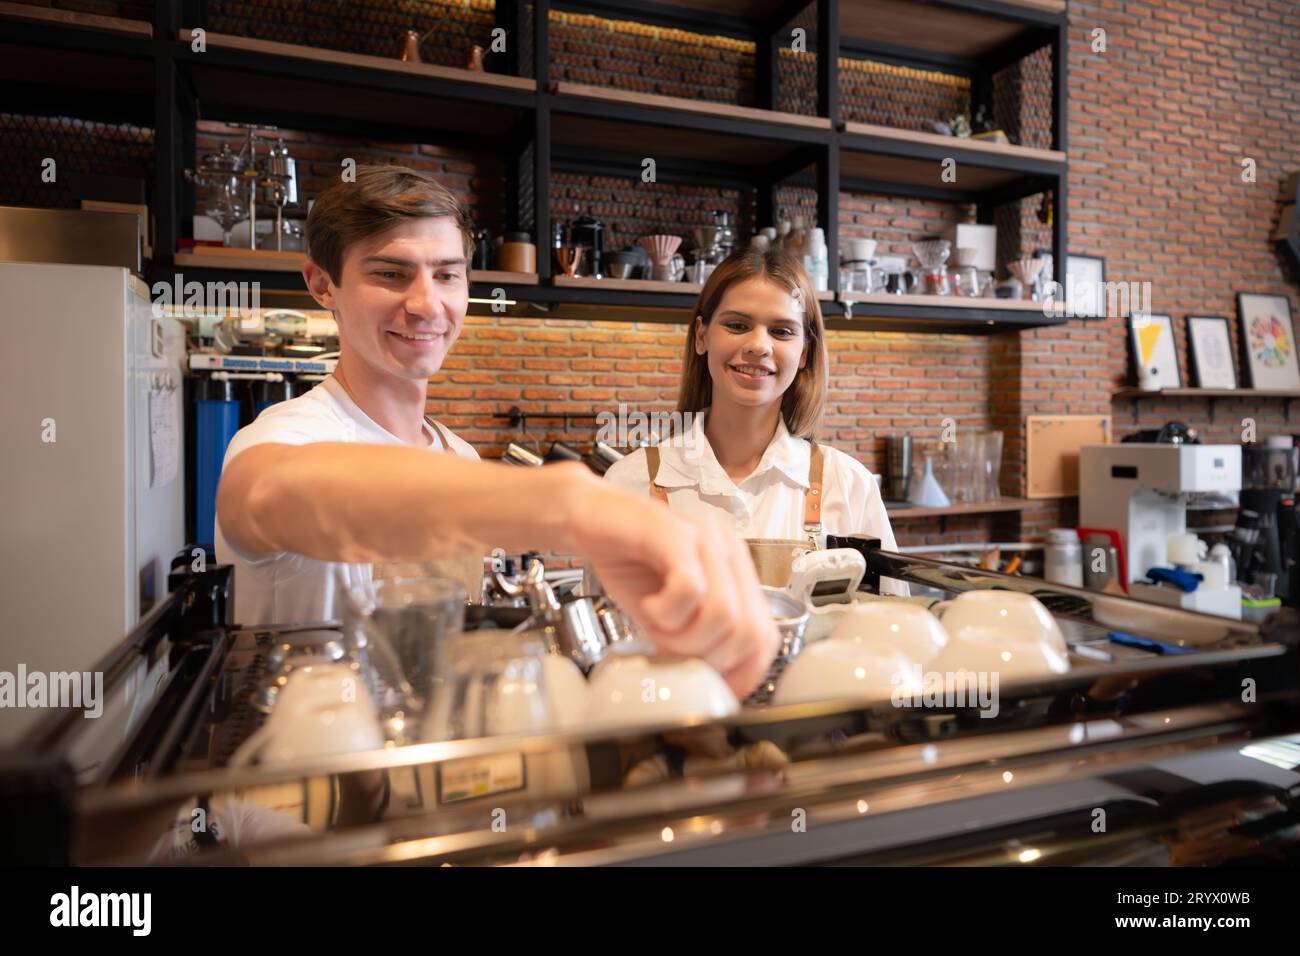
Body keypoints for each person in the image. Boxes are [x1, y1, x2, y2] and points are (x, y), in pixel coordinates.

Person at [215, 165, 777, 697]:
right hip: (302, 791)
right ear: (322, 284)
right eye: (390, 273)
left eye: (447, 275)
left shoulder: (457, 456)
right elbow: (273, 492)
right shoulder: (282, 437)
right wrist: (571, 504)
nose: (425, 304)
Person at [601, 248, 908, 596]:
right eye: (737, 325)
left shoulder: (850, 485)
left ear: (805, 351)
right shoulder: (628, 483)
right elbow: (605, 640)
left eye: (781, 331)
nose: (759, 345)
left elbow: (887, 633)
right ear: (702, 335)